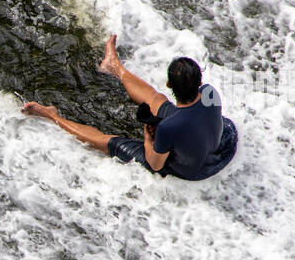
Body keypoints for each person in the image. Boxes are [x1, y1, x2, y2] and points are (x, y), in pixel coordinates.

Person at [21, 34, 237, 180]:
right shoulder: (210, 93)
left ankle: (52, 116)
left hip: (193, 170)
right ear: (200, 82)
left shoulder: (169, 127)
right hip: (221, 150)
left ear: (170, 84)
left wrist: (148, 139)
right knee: (156, 100)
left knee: (109, 141)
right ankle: (114, 67)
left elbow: (155, 164)